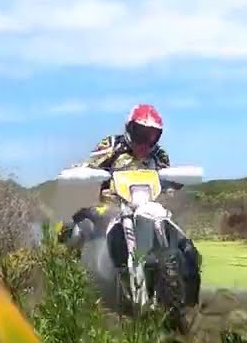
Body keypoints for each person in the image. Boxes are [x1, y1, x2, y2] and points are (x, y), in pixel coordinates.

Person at [57, 103, 172, 245]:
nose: (144, 143)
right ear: (130, 129)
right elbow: (90, 164)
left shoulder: (158, 155)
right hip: (112, 207)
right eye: (140, 134)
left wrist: (176, 182)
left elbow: (169, 180)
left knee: (173, 231)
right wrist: (76, 171)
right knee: (77, 225)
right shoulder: (113, 145)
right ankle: (64, 258)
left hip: (148, 208)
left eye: (151, 137)